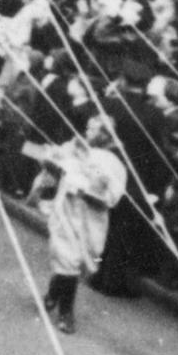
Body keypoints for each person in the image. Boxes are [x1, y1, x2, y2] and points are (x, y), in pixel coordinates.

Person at [31, 119, 130, 334]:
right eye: (88, 128)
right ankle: (66, 312)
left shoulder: (114, 163)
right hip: (66, 212)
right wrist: (51, 160)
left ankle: (52, 295)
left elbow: (112, 196)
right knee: (67, 259)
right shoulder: (76, 148)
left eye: (93, 129)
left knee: (77, 262)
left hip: (90, 220)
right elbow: (52, 163)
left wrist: (87, 188)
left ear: (105, 134)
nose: (87, 132)